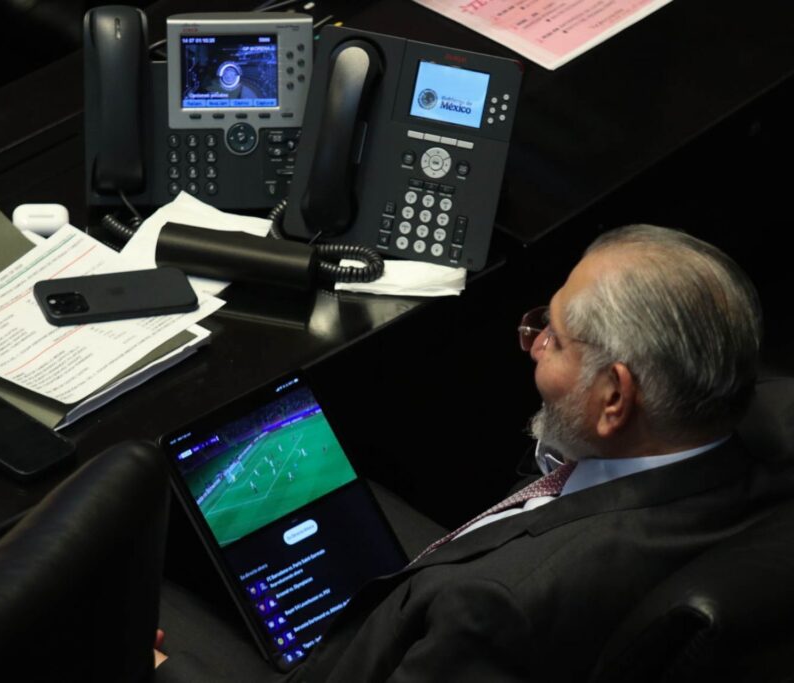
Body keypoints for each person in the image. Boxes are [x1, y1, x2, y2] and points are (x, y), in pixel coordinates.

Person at [154, 225, 792, 681]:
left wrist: (163, 668)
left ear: (614, 397)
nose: (534, 342)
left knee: (151, 595)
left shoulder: (493, 606)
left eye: (556, 338)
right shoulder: (759, 437)